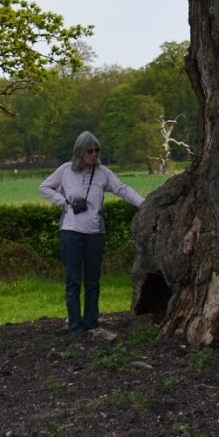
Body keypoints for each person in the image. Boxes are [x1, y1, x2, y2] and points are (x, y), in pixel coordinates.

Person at [38, 131, 144, 335]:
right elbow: (44, 187)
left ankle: (91, 321)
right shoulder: (66, 171)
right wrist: (63, 202)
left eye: (96, 150)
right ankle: (75, 325)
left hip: (95, 233)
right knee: (73, 280)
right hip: (71, 232)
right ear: (80, 152)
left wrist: (143, 203)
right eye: (89, 151)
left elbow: (122, 189)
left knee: (93, 281)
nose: (94, 154)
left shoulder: (103, 173)